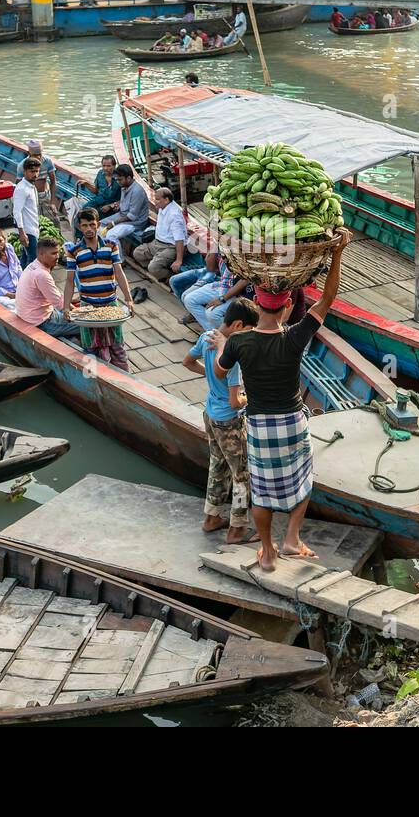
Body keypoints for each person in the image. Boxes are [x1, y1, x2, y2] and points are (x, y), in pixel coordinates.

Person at [215, 229, 351, 571]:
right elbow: (328, 298)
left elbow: (219, 373)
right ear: (288, 306)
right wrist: (337, 253)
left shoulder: (239, 343)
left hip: (259, 425)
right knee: (302, 479)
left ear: (255, 305)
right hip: (292, 422)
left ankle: (269, 552)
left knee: (262, 492)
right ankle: (292, 538)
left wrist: (221, 345)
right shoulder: (296, 337)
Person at [184, 298, 261, 543]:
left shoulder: (206, 336)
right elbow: (235, 402)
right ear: (239, 325)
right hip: (229, 421)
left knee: (217, 467)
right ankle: (237, 528)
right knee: (242, 475)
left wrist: (208, 375)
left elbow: (187, 362)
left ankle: (212, 517)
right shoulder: (233, 355)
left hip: (210, 414)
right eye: (249, 330)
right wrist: (251, 396)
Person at [64, 207, 136, 370]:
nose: (89, 229)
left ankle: (124, 380)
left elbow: (119, 272)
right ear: (79, 227)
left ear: (98, 224)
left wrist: (129, 300)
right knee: (90, 349)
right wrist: (66, 306)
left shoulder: (111, 246)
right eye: (84, 225)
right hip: (87, 307)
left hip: (110, 304)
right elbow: (69, 281)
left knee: (118, 347)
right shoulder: (74, 251)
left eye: (92, 224)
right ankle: (94, 383)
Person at [15, 235, 82, 339]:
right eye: (53, 253)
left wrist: (71, 301)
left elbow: (54, 295)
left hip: (32, 314)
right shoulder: (42, 274)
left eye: (58, 252)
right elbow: (60, 303)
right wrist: (81, 314)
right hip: (42, 322)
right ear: (41, 254)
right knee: (87, 325)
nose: (57, 256)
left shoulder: (32, 265)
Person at [132, 187, 187, 281]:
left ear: (166, 200)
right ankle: (158, 270)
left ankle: (171, 277)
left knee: (153, 268)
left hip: (171, 247)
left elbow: (179, 239)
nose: (155, 201)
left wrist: (179, 260)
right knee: (137, 253)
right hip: (157, 243)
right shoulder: (163, 207)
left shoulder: (174, 215)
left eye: (157, 199)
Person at [101, 164, 150, 252]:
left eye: (120, 179)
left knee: (111, 235)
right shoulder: (124, 186)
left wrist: (113, 223)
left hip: (135, 223)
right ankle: (105, 253)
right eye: (117, 179)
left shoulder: (137, 191)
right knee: (99, 225)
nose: (118, 182)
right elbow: (124, 204)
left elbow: (132, 216)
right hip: (122, 216)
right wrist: (114, 205)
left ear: (128, 178)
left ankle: (120, 260)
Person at [12, 158, 41, 266]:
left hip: (33, 228)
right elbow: (17, 211)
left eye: (37, 171)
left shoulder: (31, 187)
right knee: (33, 260)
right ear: (25, 171)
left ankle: (21, 281)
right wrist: (21, 232)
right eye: (32, 171)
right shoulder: (22, 189)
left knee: (25, 258)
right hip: (28, 231)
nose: (35, 174)